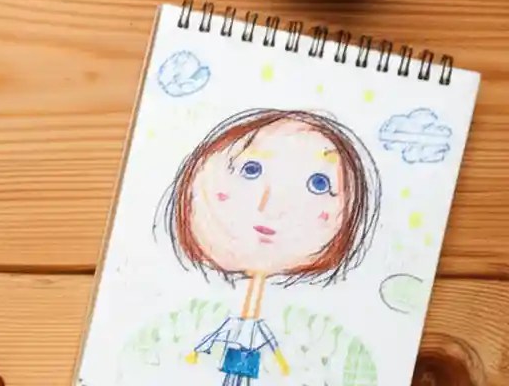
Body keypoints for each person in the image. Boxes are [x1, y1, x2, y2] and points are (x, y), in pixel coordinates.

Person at [160, 109, 380, 385]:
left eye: (319, 184)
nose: (272, 207)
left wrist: (279, 360)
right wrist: (200, 350)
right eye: (251, 169)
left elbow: (266, 338)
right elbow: (223, 333)